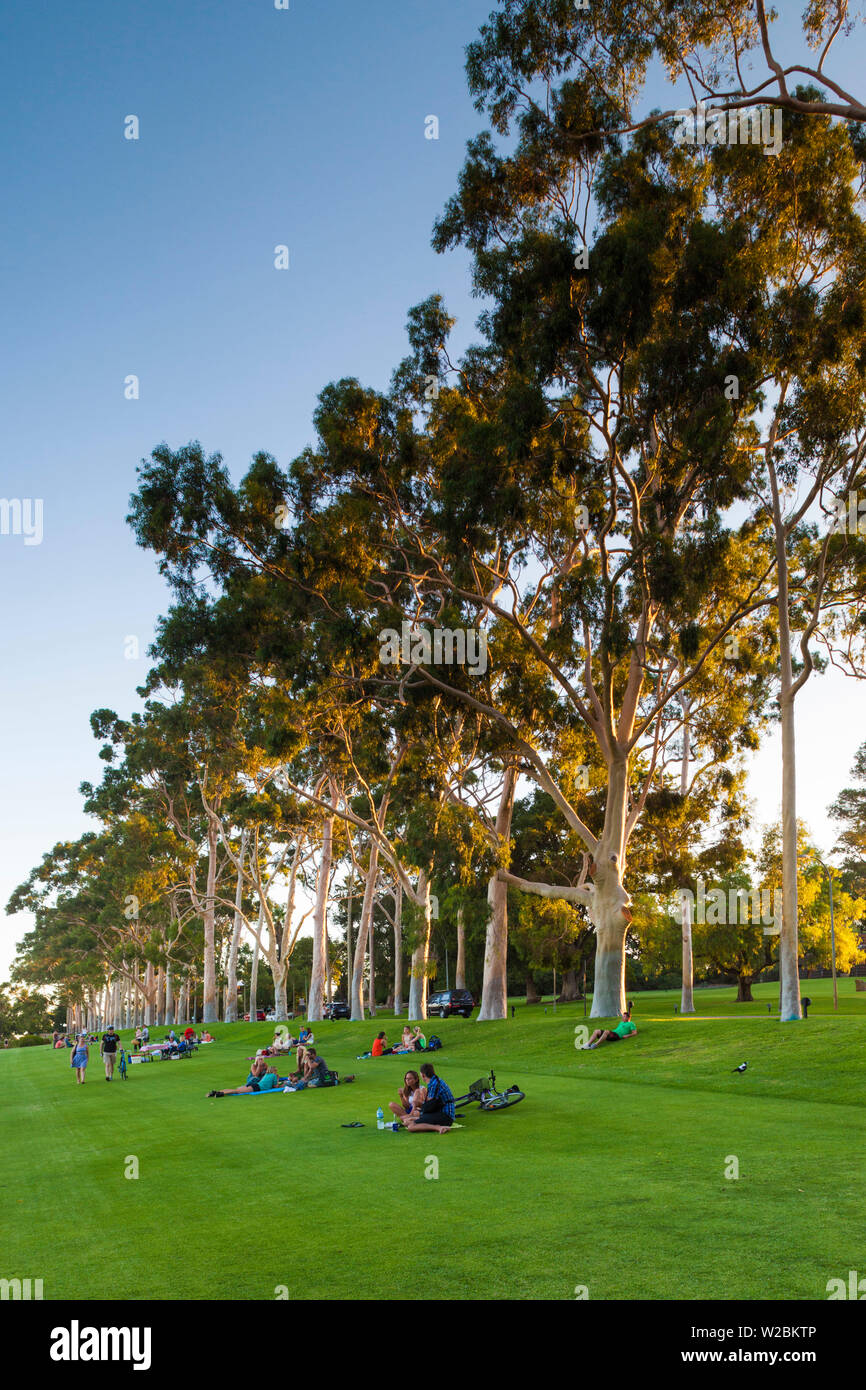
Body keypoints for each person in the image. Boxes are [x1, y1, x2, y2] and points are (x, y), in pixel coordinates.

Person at [402, 1063, 454, 1133]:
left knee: (411, 1126)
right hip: (441, 1113)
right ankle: (435, 1125)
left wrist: (419, 1105)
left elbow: (430, 1106)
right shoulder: (435, 1081)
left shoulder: (434, 1084)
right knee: (406, 1121)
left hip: (445, 1116)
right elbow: (431, 1105)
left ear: (423, 1075)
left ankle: (439, 1128)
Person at [207, 1057, 283, 1098]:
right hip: (256, 1087)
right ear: (274, 1071)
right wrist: (279, 1080)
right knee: (236, 1091)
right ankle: (220, 1093)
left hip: (255, 1085)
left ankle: (216, 1092)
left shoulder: (267, 1074)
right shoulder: (273, 1075)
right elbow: (275, 1086)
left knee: (236, 1090)